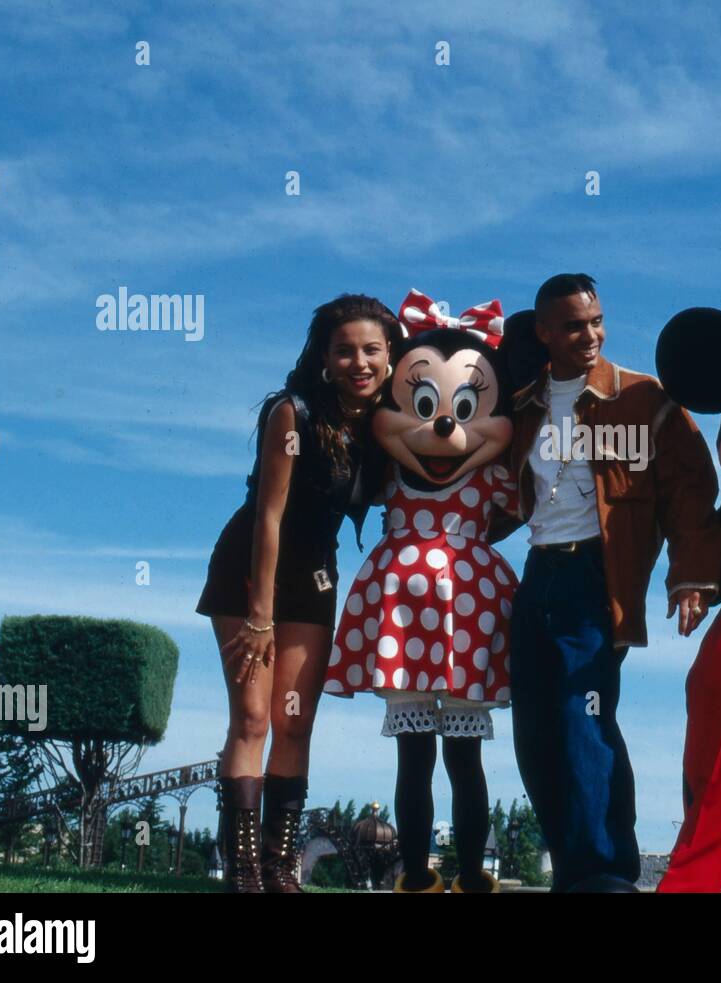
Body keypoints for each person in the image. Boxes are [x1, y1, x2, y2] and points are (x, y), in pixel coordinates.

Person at [503, 273, 721, 892]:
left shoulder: (643, 400)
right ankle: (572, 867)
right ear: (544, 332)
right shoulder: (526, 404)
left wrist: (690, 578)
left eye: (596, 320)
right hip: (538, 573)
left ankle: (606, 874)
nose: (591, 334)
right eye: (574, 325)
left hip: (596, 578)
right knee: (534, 729)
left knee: (585, 719)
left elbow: (690, 492)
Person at [196, 294, 398, 893]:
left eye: (371, 350)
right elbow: (268, 516)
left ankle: (282, 869)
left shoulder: (384, 424)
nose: (358, 362)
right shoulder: (294, 413)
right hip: (251, 568)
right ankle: (242, 871)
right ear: (324, 356)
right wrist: (259, 613)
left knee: (296, 721)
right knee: (253, 717)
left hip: (315, 572)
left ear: (390, 356)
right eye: (345, 351)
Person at [323, 289, 521, 893]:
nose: (442, 424)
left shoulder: (491, 472)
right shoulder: (386, 468)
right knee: (415, 754)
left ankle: (467, 876)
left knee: (463, 758)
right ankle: (414, 874)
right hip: (407, 618)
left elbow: (524, 507)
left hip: (464, 616)